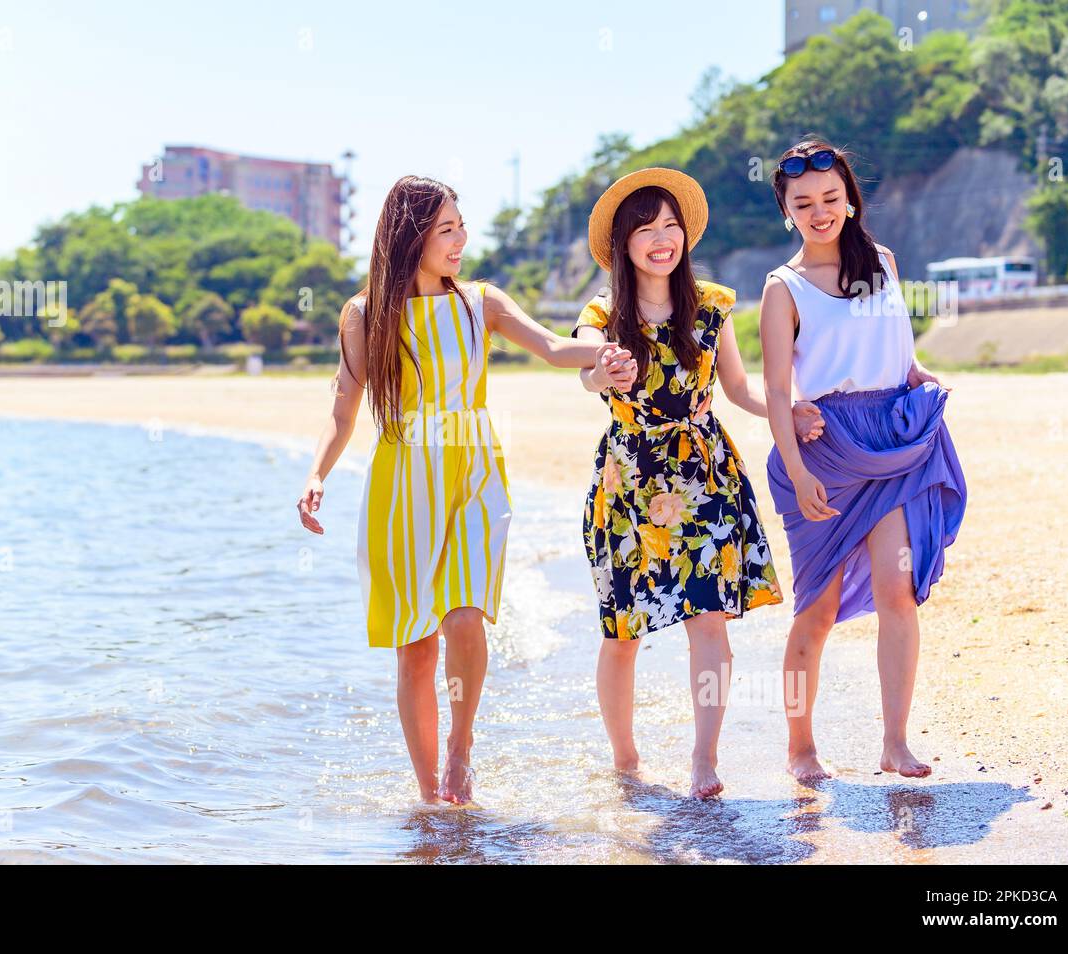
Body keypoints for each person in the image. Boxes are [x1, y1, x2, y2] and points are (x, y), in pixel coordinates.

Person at [297, 175, 631, 805]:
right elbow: (343, 409)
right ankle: (431, 800)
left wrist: (601, 354)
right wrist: (317, 474)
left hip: (475, 474)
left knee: (466, 616)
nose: (461, 240)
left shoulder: (482, 302)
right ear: (410, 237)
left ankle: (460, 752)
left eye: (460, 226)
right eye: (446, 230)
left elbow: (555, 347)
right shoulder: (366, 314)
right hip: (401, 489)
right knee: (417, 646)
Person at [574, 167, 823, 798]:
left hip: (703, 474)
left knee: (708, 618)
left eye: (670, 226)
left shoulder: (711, 304)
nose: (662, 239)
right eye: (646, 229)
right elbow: (585, 364)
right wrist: (604, 368)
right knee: (622, 631)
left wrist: (785, 409)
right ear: (622, 244)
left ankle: (704, 760)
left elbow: (738, 388)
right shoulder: (603, 312)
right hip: (629, 483)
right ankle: (626, 762)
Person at [759, 137, 967, 782]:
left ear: (849, 199)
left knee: (896, 591)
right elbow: (774, 390)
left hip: (895, 438)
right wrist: (796, 470)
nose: (819, 211)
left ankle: (895, 743)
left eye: (829, 197)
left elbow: (897, 354)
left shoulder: (883, 262)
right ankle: (800, 747)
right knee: (816, 608)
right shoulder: (782, 288)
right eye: (803, 203)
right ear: (786, 211)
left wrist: (923, 381)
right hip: (826, 452)